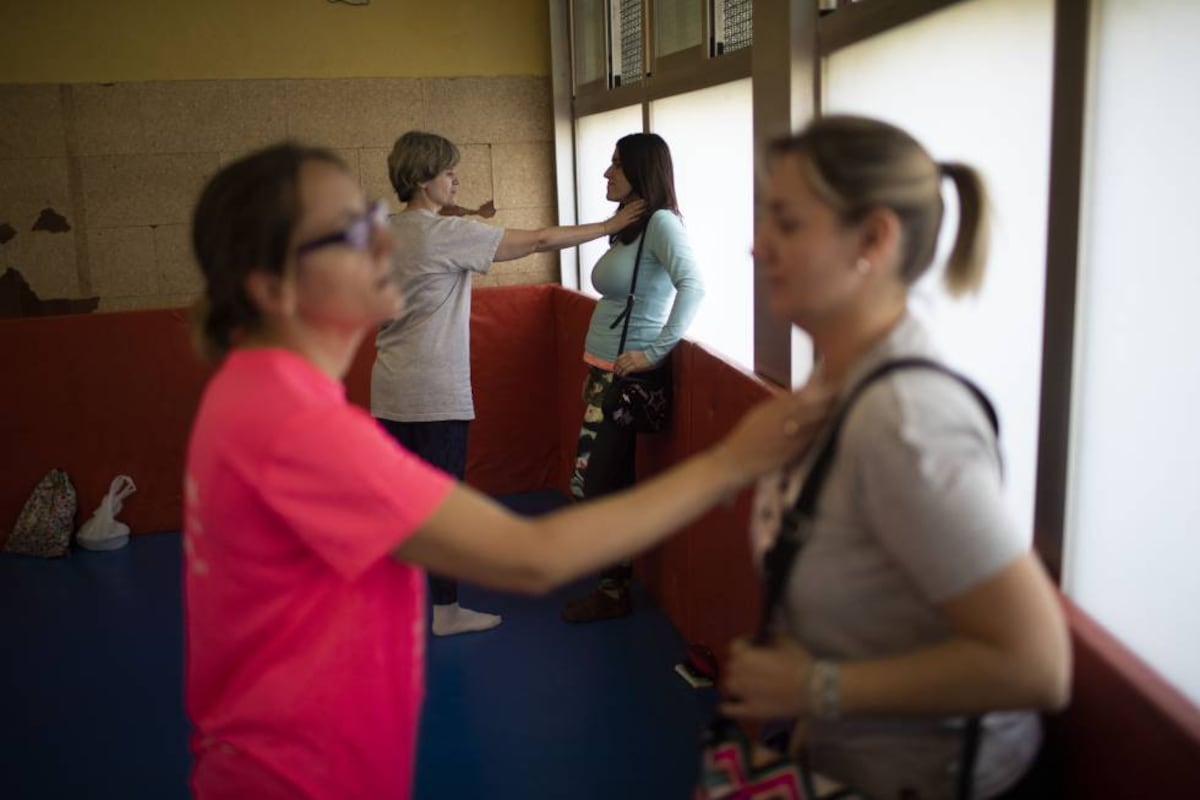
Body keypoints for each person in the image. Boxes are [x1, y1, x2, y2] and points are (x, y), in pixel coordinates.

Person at [183, 142, 830, 800]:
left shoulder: (252, 390)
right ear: (273, 289)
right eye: (352, 231)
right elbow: (534, 556)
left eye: (370, 215)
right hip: (296, 779)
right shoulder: (298, 431)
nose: (383, 240)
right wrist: (731, 463)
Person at [719, 116, 1071, 799]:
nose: (757, 248)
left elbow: (1037, 664)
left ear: (874, 239)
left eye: (787, 225)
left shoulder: (905, 420)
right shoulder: (837, 388)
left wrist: (814, 686)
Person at [372, 130, 646, 637]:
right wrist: (609, 224)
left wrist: (462, 214)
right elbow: (539, 239)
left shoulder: (386, 230)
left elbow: (424, 236)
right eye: (449, 172)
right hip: (433, 396)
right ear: (425, 179)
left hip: (389, 391)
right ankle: (446, 611)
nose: (456, 179)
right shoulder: (447, 238)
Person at [561, 132, 705, 623]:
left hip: (627, 376)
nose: (607, 173)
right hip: (605, 374)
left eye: (617, 165)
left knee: (597, 484)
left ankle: (612, 589)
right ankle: (611, 585)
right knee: (604, 481)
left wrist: (655, 352)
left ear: (642, 172)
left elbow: (694, 286)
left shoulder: (663, 224)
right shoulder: (632, 227)